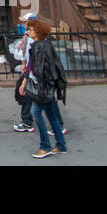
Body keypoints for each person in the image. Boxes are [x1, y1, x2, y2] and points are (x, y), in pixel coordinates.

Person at [20, 19, 68, 158]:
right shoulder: (44, 45)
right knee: (52, 115)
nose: (27, 31)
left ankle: (45, 146)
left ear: (38, 31)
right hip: (48, 85)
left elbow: (39, 69)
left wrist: (30, 83)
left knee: (36, 114)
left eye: (30, 29)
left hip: (42, 86)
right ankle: (61, 145)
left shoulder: (39, 47)